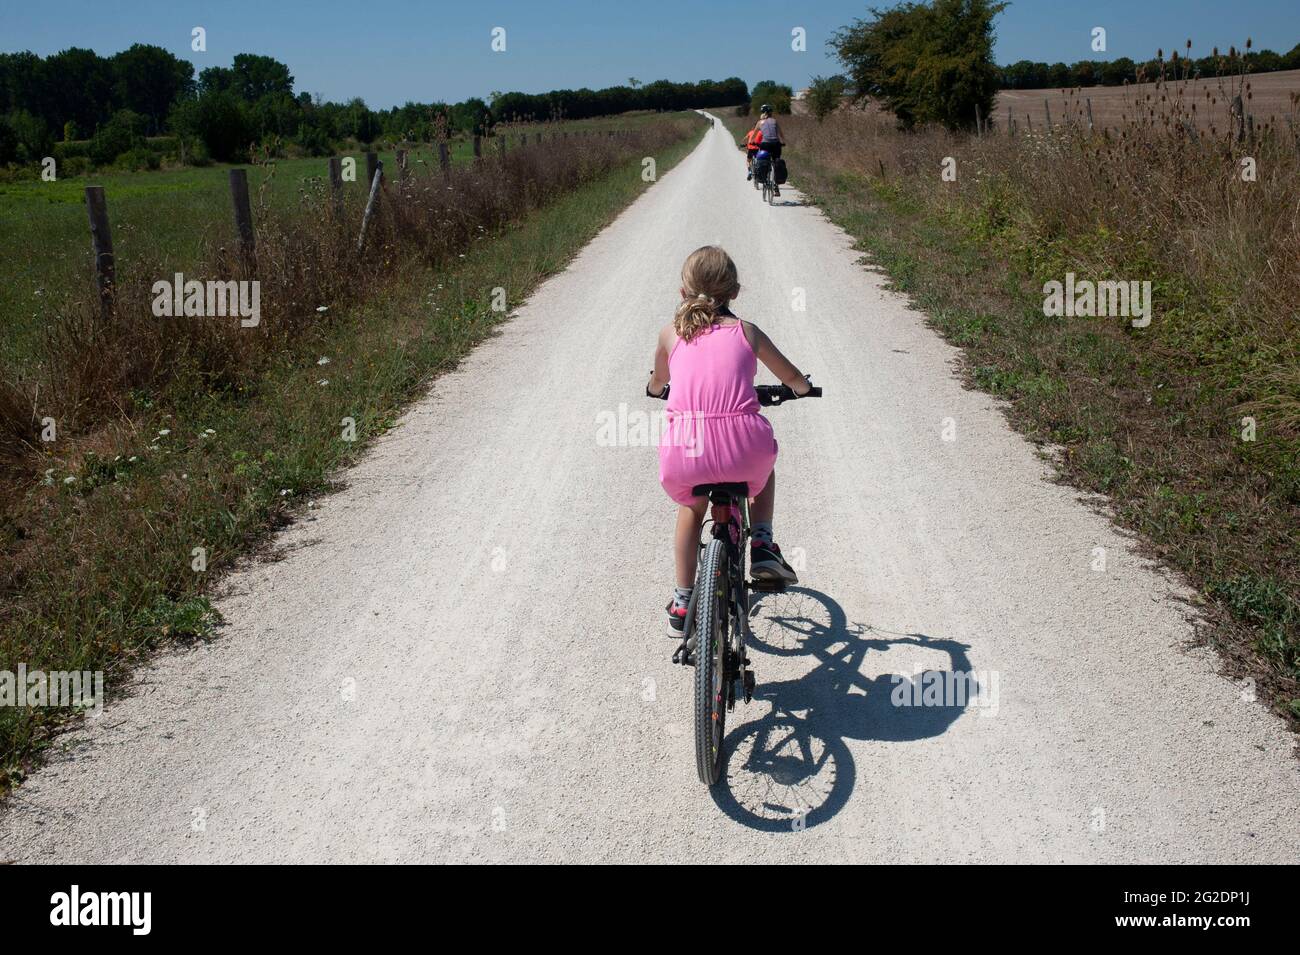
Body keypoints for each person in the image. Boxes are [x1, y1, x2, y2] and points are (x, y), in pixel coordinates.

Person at [647, 246, 811, 637]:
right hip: (743, 448)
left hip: (686, 451)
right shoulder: (747, 332)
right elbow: (792, 377)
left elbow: (657, 382)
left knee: (691, 509)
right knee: (766, 465)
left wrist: (657, 389)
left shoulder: (671, 333)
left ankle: (682, 600)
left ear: (683, 292)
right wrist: (802, 388)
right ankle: (764, 545)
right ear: (734, 292)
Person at [756, 105, 785, 195]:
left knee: (763, 161)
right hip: (776, 144)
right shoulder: (775, 121)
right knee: (776, 162)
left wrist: (753, 142)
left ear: (763, 113)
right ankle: (776, 187)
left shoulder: (760, 122)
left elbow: (754, 135)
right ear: (771, 113)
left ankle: (764, 180)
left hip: (765, 145)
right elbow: (781, 134)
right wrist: (783, 142)